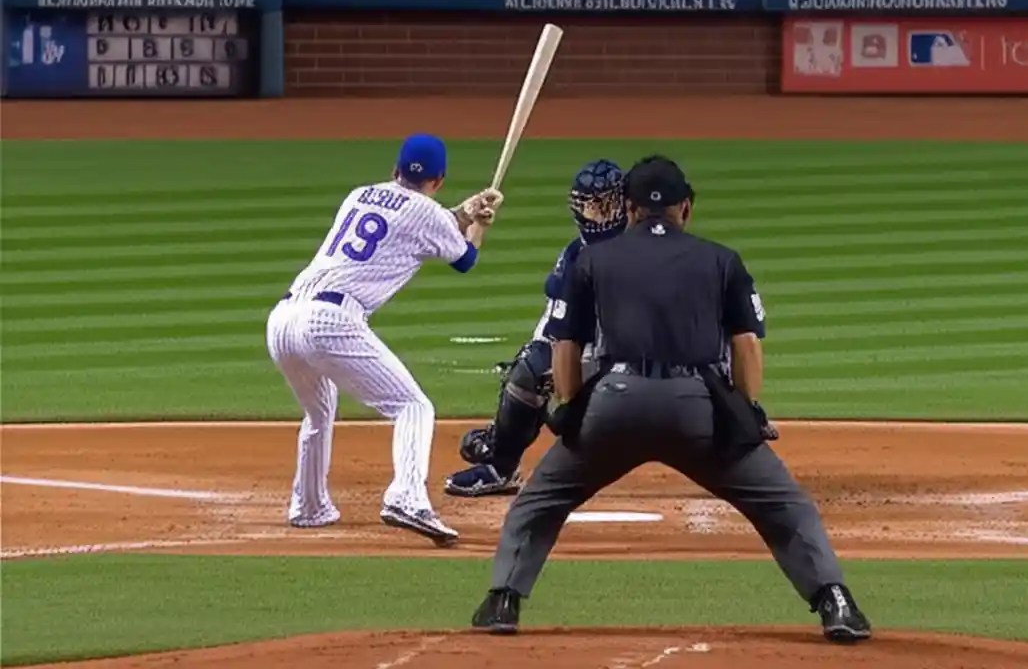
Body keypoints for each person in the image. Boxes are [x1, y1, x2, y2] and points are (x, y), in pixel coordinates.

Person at [469, 156, 873, 644]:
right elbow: (746, 346)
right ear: (686, 207)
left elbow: (564, 347)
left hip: (613, 405)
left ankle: (502, 602)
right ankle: (837, 603)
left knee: (538, 502)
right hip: (697, 406)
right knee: (785, 507)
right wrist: (742, 413)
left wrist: (575, 411)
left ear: (631, 211)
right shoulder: (722, 259)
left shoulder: (590, 259)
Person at [266, 134, 501, 547]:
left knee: (319, 414)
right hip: (329, 321)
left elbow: (421, 221)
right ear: (439, 180)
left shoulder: (362, 194)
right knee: (413, 406)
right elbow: (465, 258)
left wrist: (465, 211)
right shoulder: (428, 213)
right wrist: (478, 222)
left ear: (395, 170)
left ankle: (310, 507)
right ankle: (406, 498)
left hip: (283, 319)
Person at [444, 159, 626, 498]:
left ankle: (735, 461)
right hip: (591, 351)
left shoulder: (644, 249)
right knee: (529, 371)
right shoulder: (575, 254)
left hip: (641, 354)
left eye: (603, 206)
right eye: (588, 205)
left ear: (622, 206)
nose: (594, 214)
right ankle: (502, 465)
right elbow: (554, 330)